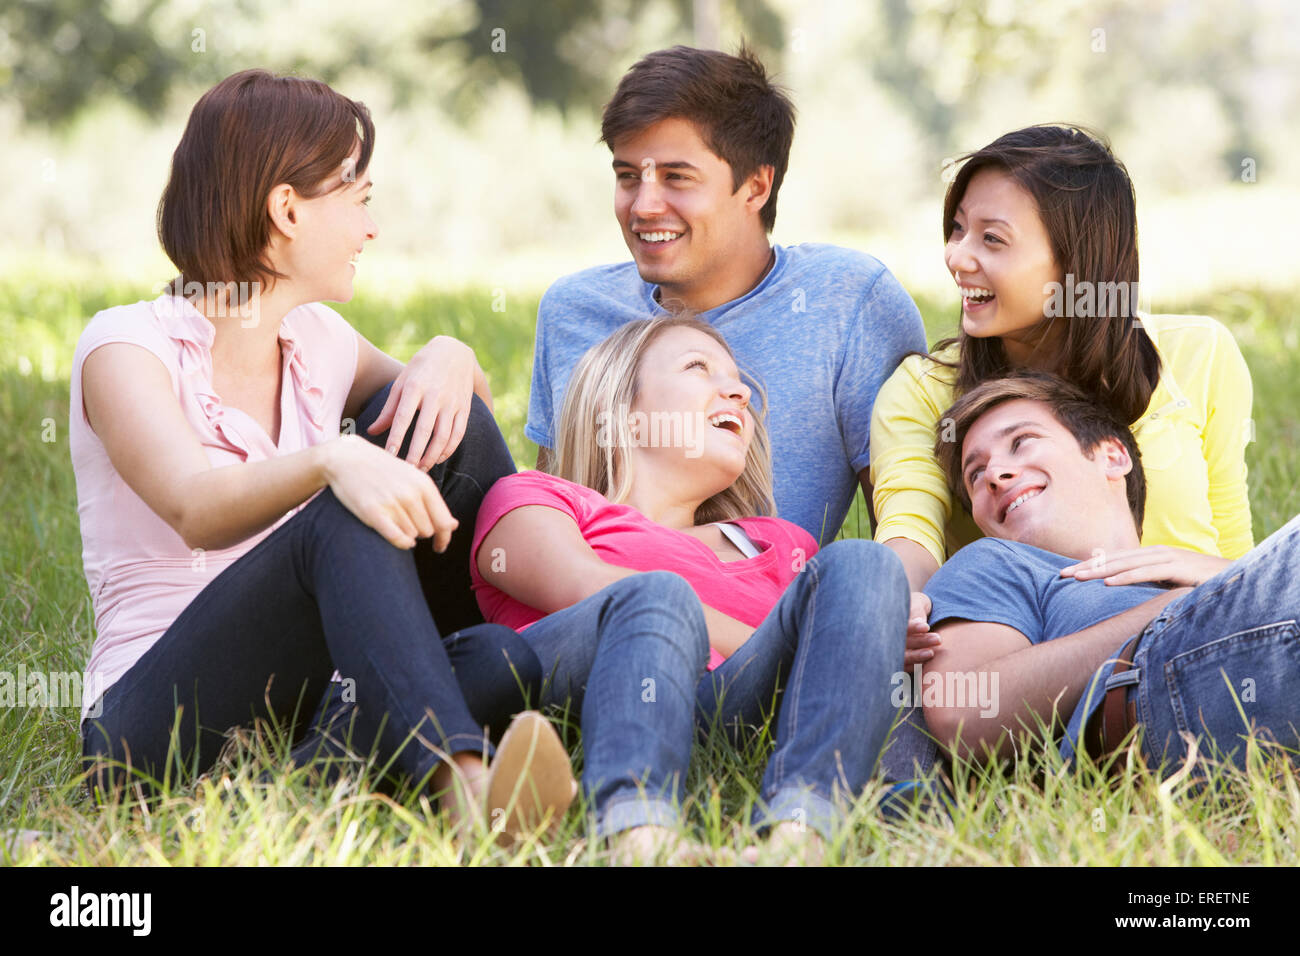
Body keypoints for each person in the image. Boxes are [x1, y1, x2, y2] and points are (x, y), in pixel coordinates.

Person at [72, 69, 572, 836]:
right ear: (286, 210)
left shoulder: (317, 342)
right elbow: (192, 507)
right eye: (359, 198)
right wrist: (329, 462)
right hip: (147, 723)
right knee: (345, 509)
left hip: (293, 701)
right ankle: (464, 786)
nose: (371, 228)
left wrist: (449, 351)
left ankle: (302, 786)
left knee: (502, 656)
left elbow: (450, 416)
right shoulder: (126, 347)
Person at [868, 125, 1254, 785]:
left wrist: (1216, 581)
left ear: (1075, 265)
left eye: (992, 239)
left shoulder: (1199, 354)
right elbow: (910, 525)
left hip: (1216, 627)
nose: (958, 258)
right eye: (957, 230)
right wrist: (893, 602)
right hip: (1052, 663)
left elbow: (1237, 549)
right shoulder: (924, 392)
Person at [474, 314, 909, 863]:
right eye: (697, 367)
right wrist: (806, 642)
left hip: (732, 706)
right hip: (588, 690)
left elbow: (838, 648)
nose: (737, 390)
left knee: (866, 563)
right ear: (625, 417)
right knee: (656, 597)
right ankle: (641, 835)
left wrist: (873, 629)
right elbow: (582, 584)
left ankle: (799, 837)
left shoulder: (779, 542)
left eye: (738, 381)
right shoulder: (539, 496)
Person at [526, 44, 926, 546]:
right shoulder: (573, 309)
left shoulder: (848, 303)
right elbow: (545, 512)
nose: (644, 206)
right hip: (591, 604)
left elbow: (906, 526)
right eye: (628, 176)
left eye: (677, 177)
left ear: (756, 187)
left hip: (766, 607)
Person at [917, 371, 1297, 777]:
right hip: (1150, 695)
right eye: (976, 474)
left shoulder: (1204, 571)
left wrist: (1222, 575)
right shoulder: (993, 563)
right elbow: (964, 715)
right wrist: (1176, 605)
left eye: (1021, 442)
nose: (994, 474)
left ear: (1112, 456)